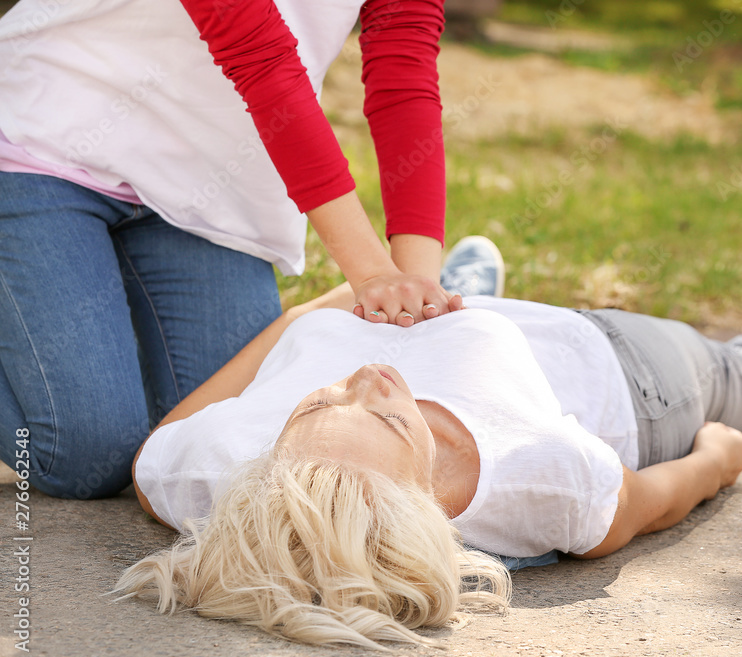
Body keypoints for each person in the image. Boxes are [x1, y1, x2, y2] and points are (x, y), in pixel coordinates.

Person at [114, 236, 742, 649]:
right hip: (620, 367)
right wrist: (717, 462)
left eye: (317, 402)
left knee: (432, 289)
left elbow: (158, 455)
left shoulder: (222, 464)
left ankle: (459, 283)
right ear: (425, 499)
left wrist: (334, 300)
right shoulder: (542, 482)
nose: (365, 377)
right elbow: (643, 504)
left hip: (451, 311)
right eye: (390, 417)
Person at [0, 0, 461, 499]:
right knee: (82, 453)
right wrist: (371, 272)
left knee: (223, 441)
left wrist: (419, 302)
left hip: (207, 190)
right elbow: (260, 57)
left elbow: (404, 69)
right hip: (43, 140)